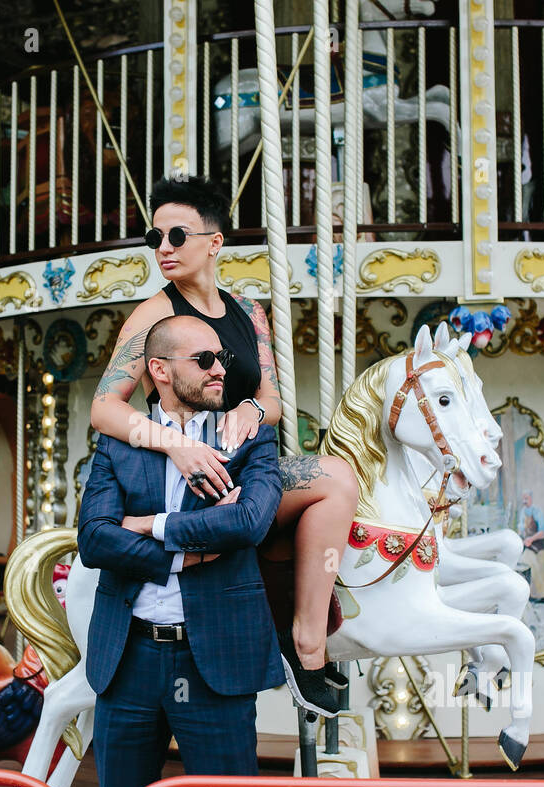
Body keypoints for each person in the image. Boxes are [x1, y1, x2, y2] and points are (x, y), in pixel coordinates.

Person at [89, 174, 357, 717]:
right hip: (187, 475)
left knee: (340, 480)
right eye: (155, 238)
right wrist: (175, 447)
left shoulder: (248, 312)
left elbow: (272, 398)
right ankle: (303, 645)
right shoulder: (153, 316)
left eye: (177, 235)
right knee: (333, 477)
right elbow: (103, 406)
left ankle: (306, 635)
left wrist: (250, 408)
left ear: (214, 242)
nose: (163, 248)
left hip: (243, 468)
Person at [78, 314, 284, 787]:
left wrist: (150, 526)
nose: (221, 370)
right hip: (130, 658)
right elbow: (94, 539)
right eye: (205, 361)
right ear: (160, 370)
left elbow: (248, 524)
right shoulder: (120, 443)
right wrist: (189, 552)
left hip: (212, 656)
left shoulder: (248, 438)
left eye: (223, 359)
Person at [517, 491, 544, 602]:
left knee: (537, 567)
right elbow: (521, 528)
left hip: (537, 543)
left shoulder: (537, 511)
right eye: (523, 499)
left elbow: (542, 532)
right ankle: (531, 593)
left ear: (531, 498)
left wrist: (531, 539)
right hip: (528, 542)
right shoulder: (523, 512)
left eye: (526, 498)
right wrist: (520, 537)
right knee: (526, 563)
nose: (524, 501)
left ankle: (542, 595)